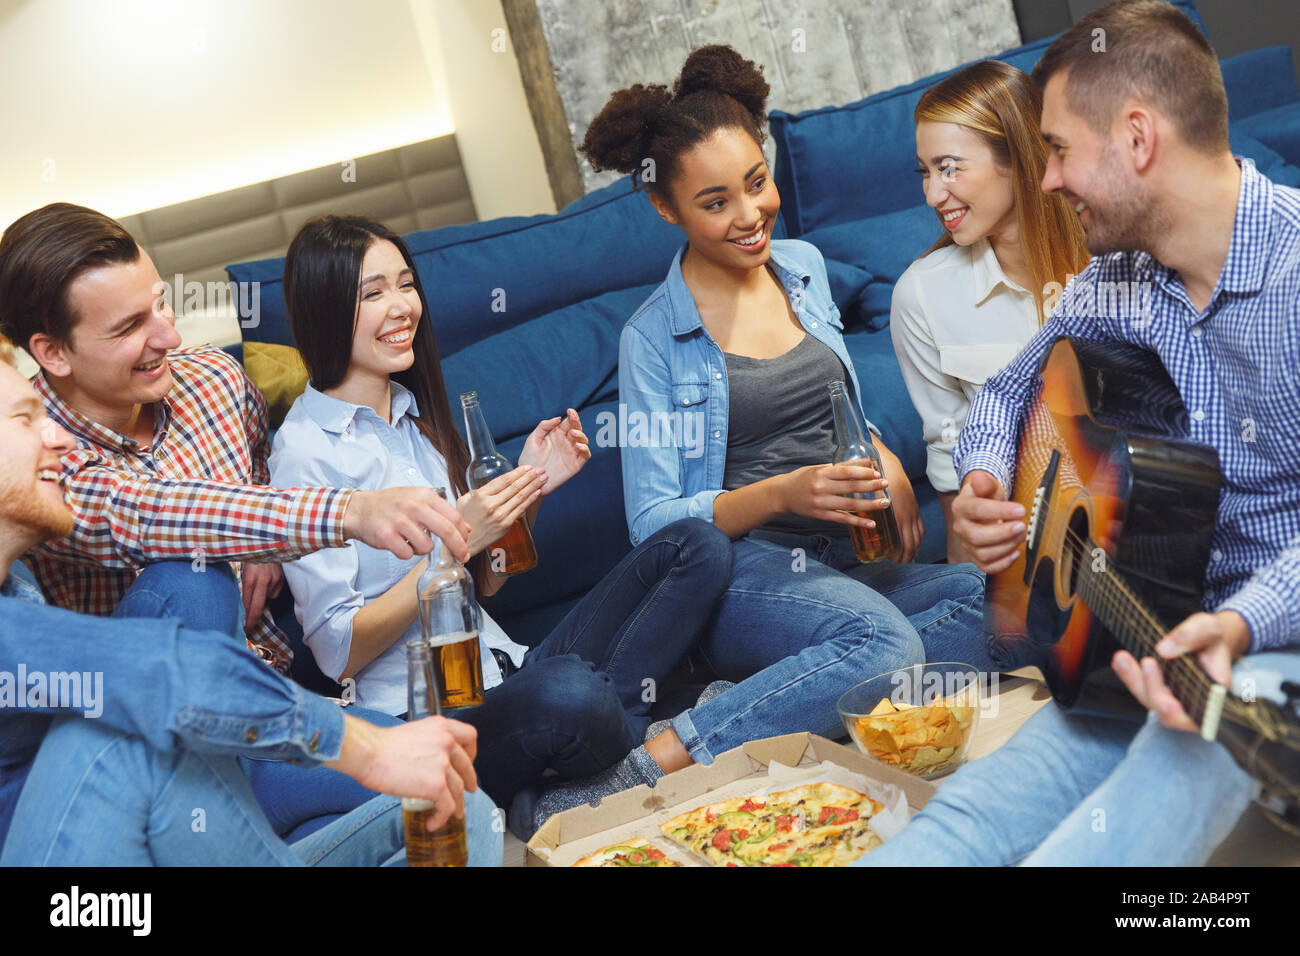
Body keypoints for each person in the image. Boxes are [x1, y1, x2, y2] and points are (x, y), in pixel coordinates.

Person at [857, 0, 1300, 866]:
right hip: (1142, 633)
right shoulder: (1119, 277)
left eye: (1057, 148)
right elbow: (1001, 397)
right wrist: (985, 480)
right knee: (964, 823)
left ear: (1137, 138)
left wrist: (1243, 623)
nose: (1046, 180)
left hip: (1260, 655)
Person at [562, 45, 992, 802]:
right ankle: (652, 760)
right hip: (745, 575)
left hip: (843, 561)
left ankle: (777, 694)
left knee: (988, 599)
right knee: (888, 643)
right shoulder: (653, 339)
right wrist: (783, 493)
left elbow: (833, 408)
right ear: (667, 208)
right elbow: (656, 525)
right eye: (714, 201)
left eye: (756, 184)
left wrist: (886, 459)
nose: (749, 215)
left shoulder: (803, 266)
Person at [0, 202, 479, 837]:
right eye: (130, 327)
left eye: (163, 304)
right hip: (154, 740)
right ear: (52, 353)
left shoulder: (215, 381)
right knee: (189, 580)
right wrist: (351, 509)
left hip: (266, 705)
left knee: (438, 786)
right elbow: (152, 514)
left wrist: (262, 547)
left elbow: (256, 476)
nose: (168, 336)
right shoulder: (49, 458)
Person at [268, 215, 735, 836]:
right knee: (570, 694)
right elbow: (337, 651)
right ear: (325, 310)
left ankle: (574, 773)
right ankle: (645, 734)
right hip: (435, 723)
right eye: (373, 293)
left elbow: (485, 582)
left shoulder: (416, 416)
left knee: (694, 546)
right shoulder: (304, 451)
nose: (403, 305)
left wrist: (526, 490)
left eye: (406, 285)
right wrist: (450, 544)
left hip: (513, 670)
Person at [0, 359, 501, 865]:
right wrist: (366, 748)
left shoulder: (17, 589)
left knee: (453, 799)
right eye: (23, 419)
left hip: (187, 806)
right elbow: (161, 671)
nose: (59, 439)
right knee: (111, 735)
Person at [892, 60, 1089, 563]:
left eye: (950, 168)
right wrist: (981, 607)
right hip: (1030, 561)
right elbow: (950, 465)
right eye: (926, 172)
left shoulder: (1110, 257)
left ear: (1020, 156)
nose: (933, 194)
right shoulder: (921, 296)